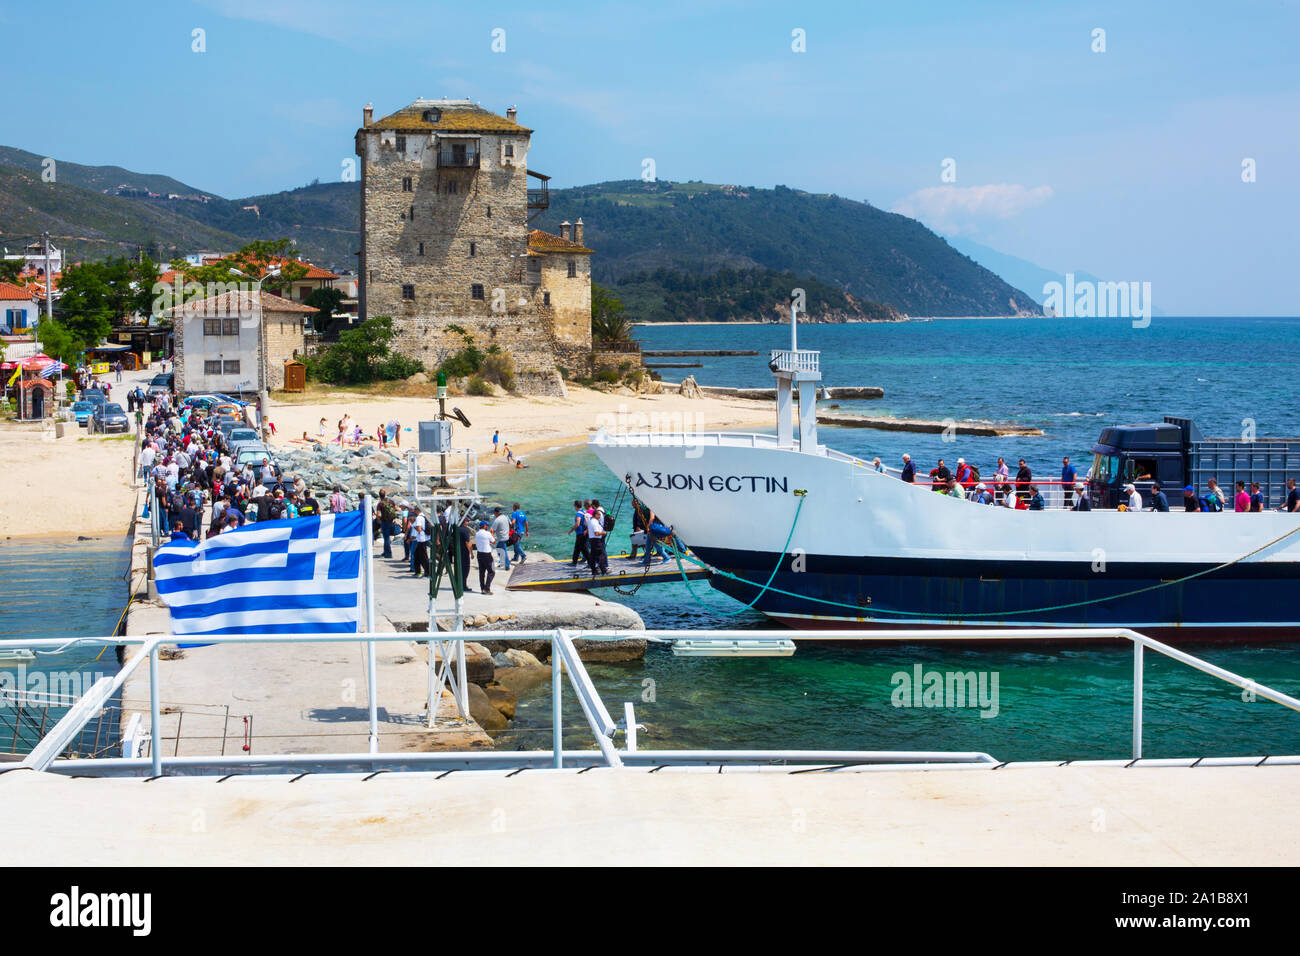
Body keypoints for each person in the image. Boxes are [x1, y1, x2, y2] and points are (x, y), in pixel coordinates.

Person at [586, 500, 609, 576]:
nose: (600, 516)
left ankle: (594, 570)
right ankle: (603, 569)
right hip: (596, 540)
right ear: (595, 515)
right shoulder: (595, 522)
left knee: (593, 555)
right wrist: (603, 533)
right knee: (601, 554)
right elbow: (596, 533)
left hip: (592, 540)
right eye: (599, 515)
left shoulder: (591, 521)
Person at [475, 521, 497, 594]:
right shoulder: (487, 533)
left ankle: (482, 588)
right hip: (487, 554)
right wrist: (492, 534)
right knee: (491, 572)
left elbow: (482, 542)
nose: (487, 526)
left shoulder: (477, 533)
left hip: (479, 554)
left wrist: (488, 542)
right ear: (484, 526)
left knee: (482, 572)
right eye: (487, 525)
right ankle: (486, 589)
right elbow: (494, 541)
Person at [410, 507, 431, 577]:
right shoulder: (425, 516)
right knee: (417, 556)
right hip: (424, 538)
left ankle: (428, 572)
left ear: (417, 510)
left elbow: (419, 529)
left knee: (423, 557)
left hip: (421, 539)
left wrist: (414, 525)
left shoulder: (419, 518)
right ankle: (418, 572)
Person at [568, 499, 590, 566]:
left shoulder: (578, 514)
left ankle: (591, 562)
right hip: (583, 533)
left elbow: (577, 524)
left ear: (575, 506)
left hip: (581, 534)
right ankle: (574, 562)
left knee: (584, 550)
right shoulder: (583, 512)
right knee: (577, 548)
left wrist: (571, 530)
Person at [377, 490, 398, 558]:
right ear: (385, 494)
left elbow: (378, 514)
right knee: (387, 537)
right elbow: (396, 509)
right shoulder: (391, 501)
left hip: (384, 522)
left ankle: (388, 554)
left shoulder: (380, 504)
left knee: (386, 538)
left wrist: (379, 520)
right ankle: (385, 551)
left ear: (379, 495)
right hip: (391, 521)